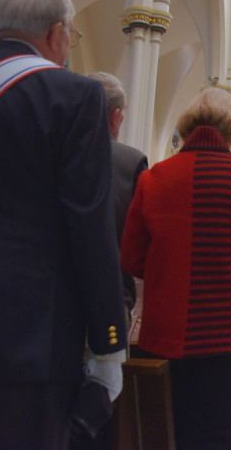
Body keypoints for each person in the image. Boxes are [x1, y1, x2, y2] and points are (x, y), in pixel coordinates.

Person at [0, 0, 127, 449]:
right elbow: (89, 225)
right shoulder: (73, 96)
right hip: (27, 336)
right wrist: (108, 343)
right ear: (56, 33)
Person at [121, 88, 231, 449]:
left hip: (166, 331)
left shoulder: (153, 178)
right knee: (215, 435)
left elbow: (131, 259)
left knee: (166, 431)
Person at [86, 72, 148, 319]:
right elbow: (142, 236)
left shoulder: (47, 152)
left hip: (48, 297)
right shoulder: (131, 163)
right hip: (109, 296)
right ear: (115, 117)